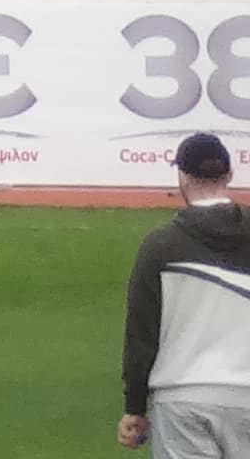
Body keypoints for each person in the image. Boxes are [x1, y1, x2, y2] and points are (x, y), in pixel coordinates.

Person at [123, 131, 250, 452]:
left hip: (182, 399)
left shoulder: (161, 246)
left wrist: (134, 406)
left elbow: (142, 332)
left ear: (182, 176)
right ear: (229, 174)